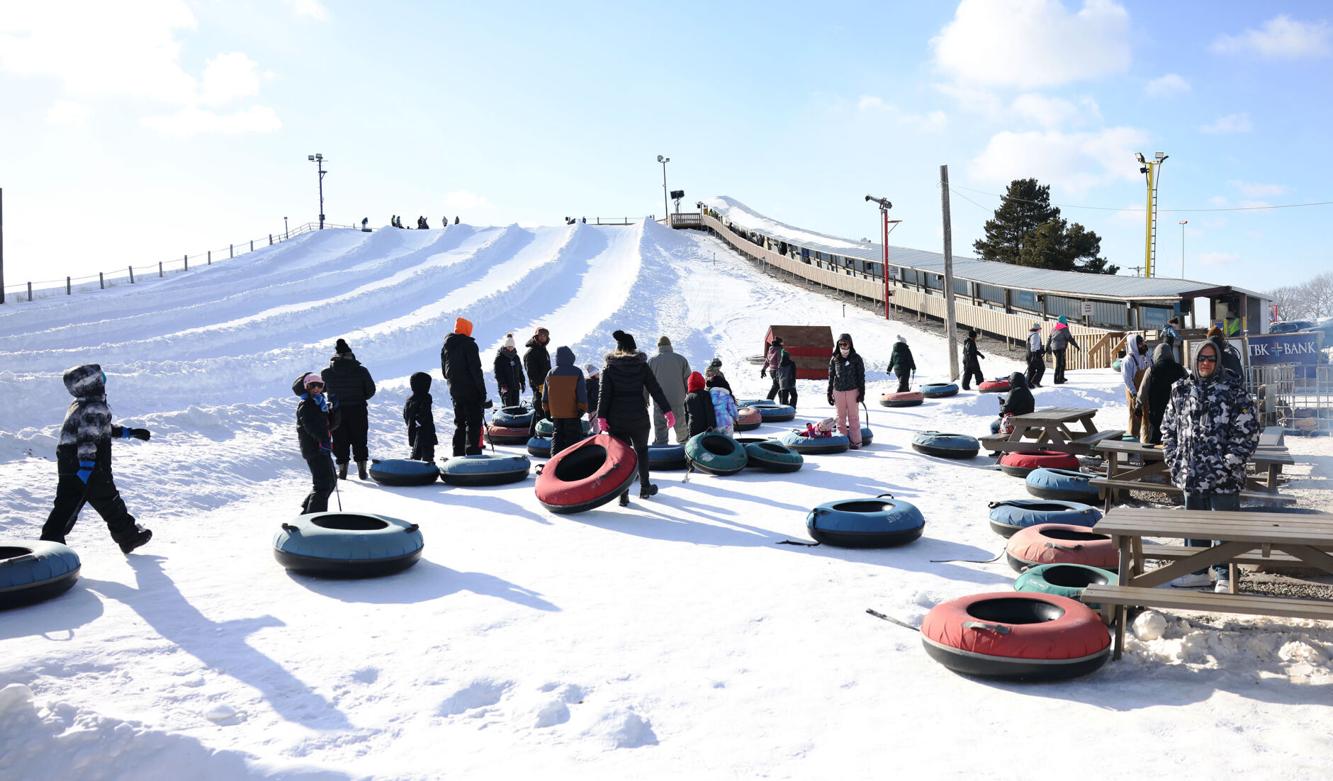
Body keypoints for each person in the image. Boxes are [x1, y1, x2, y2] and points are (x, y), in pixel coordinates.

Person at [1161, 337, 1261, 592]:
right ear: (1194, 360)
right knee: (1194, 525)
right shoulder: (1180, 388)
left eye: (1211, 358)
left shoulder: (1233, 389)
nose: (1206, 363)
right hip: (1190, 473)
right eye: (1202, 358)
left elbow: (1247, 431)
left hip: (1223, 478)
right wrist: (1174, 460)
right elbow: (1168, 428)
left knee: (1224, 527)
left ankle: (1225, 575)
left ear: (1218, 361)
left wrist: (1228, 464)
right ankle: (1195, 571)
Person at [40, 365, 153, 553]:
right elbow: (87, 437)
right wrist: (85, 468)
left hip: (73, 461)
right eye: (101, 377)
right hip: (88, 463)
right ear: (93, 384)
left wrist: (128, 432)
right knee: (76, 503)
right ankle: (50, 545)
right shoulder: (94, 407)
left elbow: (100, 428)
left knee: (99, 501)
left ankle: (129, 537)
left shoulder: (83, 404)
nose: (104, 380)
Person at [597, 330, 674, 505]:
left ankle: (623, 494)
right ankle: (645, 487)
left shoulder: (609, 368)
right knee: (642, 452)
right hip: (638, 417)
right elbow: (655, 390)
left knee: (621, 456)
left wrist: (601, 417)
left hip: (616, 419)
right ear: (633, 348)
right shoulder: (641, 366)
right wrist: (667, 411)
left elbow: (604, 395)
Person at [321, 338, 377, 480]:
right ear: (351, 354)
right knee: (360, 438)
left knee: (340, 440)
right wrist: (359, 397)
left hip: (336, 410)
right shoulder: (362, 371)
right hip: (358, 408)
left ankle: (343, 470)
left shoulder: (326, 373)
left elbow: (322, 390)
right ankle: (362, 469)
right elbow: (370, 390)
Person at [441, 317, 490, 456]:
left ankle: (458, 454)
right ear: (467, 329)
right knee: (473, 423)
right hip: (471, 390)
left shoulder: (446, 345)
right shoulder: (469, 345)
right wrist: (482, 391)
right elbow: (476, 369)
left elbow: (445, 372)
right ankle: (473, 454)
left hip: (455, 390)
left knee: (460, 423)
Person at [293, 372, 341, 515]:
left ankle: (307, 510)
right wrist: (323, 440)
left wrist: (336, 411)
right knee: (323, 484)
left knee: (331, 480)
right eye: (312, 385)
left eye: (319, 385)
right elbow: (311, 426)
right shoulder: (306, 405)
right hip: (314, 449)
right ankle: (314, 517)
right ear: (306, 386)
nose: (316, 389)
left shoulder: (320, 403)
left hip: (321, 447)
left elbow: (330, 426)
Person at [1136, 344, 1186, 446]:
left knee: (1154, 438)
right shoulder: (1180, 369)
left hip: (1156, 411)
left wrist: (1138, 405)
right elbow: (1191, 385)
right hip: (1177, 412)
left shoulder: (1152, 370)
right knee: (1176, 438)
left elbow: (1143, 389)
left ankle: (1152, 460)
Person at [543, 346, 589, 456]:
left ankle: (554, 463)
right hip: (573, 413)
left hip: (556, 414)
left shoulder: (551, 373)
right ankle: (572, 465)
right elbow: (581, 393)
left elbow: (545, 394)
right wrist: (582, 408)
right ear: (571, 357)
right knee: (573, 441)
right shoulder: (577, 372)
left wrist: (547, 410)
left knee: (557, 438)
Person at [648, 335, 690, 445]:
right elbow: (688, 381)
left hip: (659, 401)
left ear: (659, 346)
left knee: (660, 427)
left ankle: (661, 449)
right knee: (681, 427)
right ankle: (684, 448)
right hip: (678, 400)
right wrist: (690, 396)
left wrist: (645, 398)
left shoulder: (652, 361)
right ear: (670, 346)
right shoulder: (681, 359)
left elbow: (645, 382)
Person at [826, 333, 865, 449]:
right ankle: (842, 441)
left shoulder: (856, 358)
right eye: (841, 344)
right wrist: (829, 392)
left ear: (850, 344)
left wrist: (862, 392)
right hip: (838, 391)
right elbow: (831, 376)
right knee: (840, 417)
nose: (843, 346)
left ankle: (856, 442)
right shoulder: (835, 358)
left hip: (853, 390)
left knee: (853, 417)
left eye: (845, 344)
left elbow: (861, 376)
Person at [403, 371, 438, 462]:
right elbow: (424, 411)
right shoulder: (426, 397)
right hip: (426, 431)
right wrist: (419, 422)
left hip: (414, 431)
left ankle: (414, 471)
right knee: (428, 455)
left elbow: (406, 415)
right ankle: (427, 470)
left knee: (416, 454)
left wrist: (412, 425)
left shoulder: (409, 400)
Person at [1122, 333, 1150, 440]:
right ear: (1134, 345)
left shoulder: (1146, 356)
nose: (1143, 346)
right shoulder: (1128, 360)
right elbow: (1127, 380)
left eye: (1143, 343)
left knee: (1147, 420)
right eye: (1140, 344)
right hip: (1134, 393)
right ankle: (1132, 444)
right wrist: (1134, 393)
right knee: (1135, 420)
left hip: (1146, 393)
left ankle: (1147, 444)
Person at [524, 327, 552, 435]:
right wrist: (539, 384)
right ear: (536, 337)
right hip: (539, 386)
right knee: (540, 409)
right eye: (541, 336)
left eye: (545, 336)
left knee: (541, 411)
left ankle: (532, 434)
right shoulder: (531, 352)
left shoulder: (543, 350)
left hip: (547, 385)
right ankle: (536, 436)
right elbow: (531, 372)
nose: (543, 338)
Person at [493, 334, 526, 408]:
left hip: (515, 387)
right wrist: (503, 385)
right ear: (505, 346)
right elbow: (498, 374)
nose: (510, 348)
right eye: (508, 347)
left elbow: (520, 371)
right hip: (506, 388)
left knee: (516, 408)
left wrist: (522, 382)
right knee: (508, 408)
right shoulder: (500, 358)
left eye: (512, 347)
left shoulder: (516, 357)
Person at [1048, 316, 1081, 385]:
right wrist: (1076, 345)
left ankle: (1061, 377)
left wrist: (1047, 347)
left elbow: (1050, 338)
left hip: (1054, 348)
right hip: (1060, 348)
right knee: (1059, 364)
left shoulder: (1054, 328)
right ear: (1064, 322)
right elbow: (1070, 338)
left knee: (1062, 363)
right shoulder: (1064, 328)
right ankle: (1056, 379)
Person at [683, 371, 716, 438]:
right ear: (702, 382)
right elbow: (709, 411)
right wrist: (712, 425)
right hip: (705, 427)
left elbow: (686, 415)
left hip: (692, 427)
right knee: (705, 445)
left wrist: (687, 427)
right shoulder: (705, 394)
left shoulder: (687, 398)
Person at [1025, 323, 1046, 388]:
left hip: (1029, 355)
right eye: (1040, 329)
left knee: (1031, 369)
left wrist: (1041, 350)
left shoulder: (1030, 335)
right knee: (1041, 368)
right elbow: (1033, 346)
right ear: (1037, 329)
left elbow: (1033, 345)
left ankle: (1029, 384)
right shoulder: (1035, 335)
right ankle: (1035, 381)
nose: (1040, 330)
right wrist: (1035, 354)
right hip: (1034, 354)